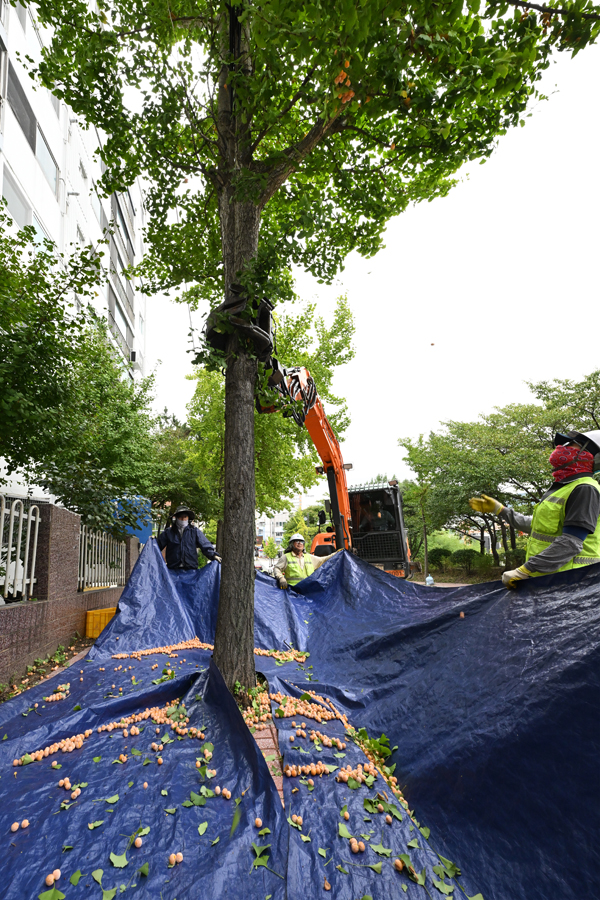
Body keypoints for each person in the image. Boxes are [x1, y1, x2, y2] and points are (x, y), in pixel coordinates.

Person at [469, 429, 600, 589]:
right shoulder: (563, 487)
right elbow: (535, 526)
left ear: (596, 458)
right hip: (549, 580)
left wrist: (525, 570)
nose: (564, 448)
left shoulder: (585, 489)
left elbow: (571, 543)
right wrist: (500, 509)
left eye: (573, 445)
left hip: (571, 583)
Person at [156, 505, 221, 570]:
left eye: (185, 517)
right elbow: (157, 546)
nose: (183, 519)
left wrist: (213, 555)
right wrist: (152, 541)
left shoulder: (195, 531)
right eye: (180, 517)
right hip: (173, 570)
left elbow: (205, 545)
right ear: (176, 518)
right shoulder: (168, 532)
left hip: (191, 570)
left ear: (188, 518)